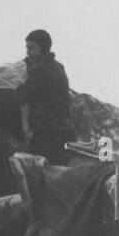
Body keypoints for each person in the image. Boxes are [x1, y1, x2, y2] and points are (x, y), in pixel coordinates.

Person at [15, 29, 72, 166]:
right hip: (53, 131)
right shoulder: (51, 66)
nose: (28, 52)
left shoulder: (47, 72)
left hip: (51, 134)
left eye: (31, 48)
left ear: (43, 48)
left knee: (42, 171)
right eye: (27, 48)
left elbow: (23, 95)